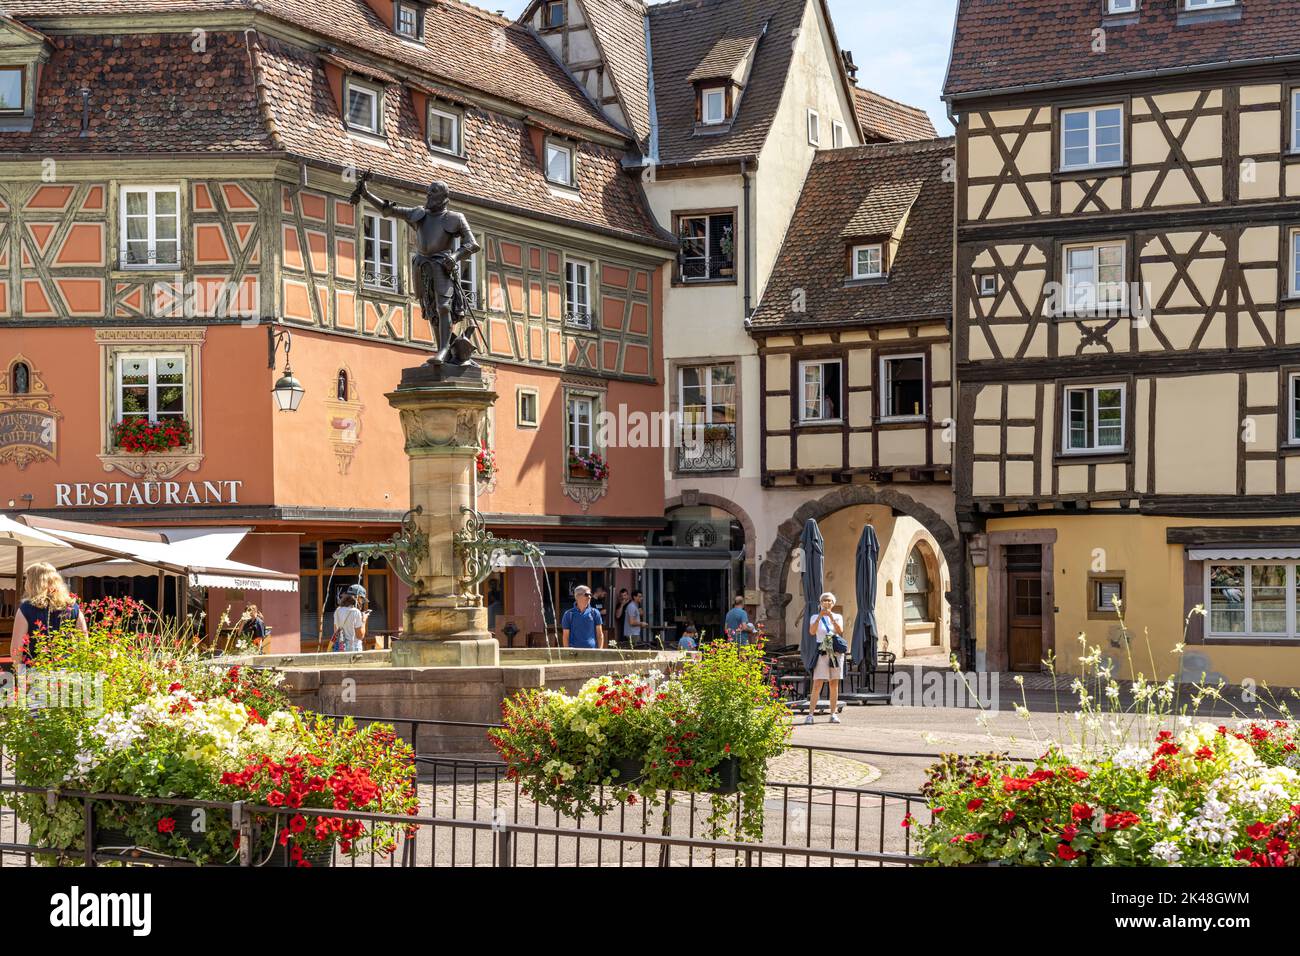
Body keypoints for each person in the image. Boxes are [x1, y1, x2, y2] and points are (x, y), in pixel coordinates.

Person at [10, 562, 87, 668]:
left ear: (33, 583)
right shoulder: (73, 607)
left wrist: (20, 676)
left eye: (27, 579)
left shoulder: (25, 609)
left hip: (36, 670)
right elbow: (84, 644)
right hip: (67, 670)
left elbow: (16, 650)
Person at [806, 591, 846, 725]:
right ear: (821, 603)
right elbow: (812, 632)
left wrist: (831, 618)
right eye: (824, 600)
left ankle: (833, 713)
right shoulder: (814, 617)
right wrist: (820, 618)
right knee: (817, 683)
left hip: (834, 651)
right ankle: (810, 714)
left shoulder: (838, 616)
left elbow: (840, 631)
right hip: (822, 650)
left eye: (829, 600)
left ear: (833, 603)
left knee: (834, 683)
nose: (827, 602)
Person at [561, 585, 604, 649]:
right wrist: (568, 653)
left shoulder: (595, 612)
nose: (589, 597)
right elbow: (565, 636)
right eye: (586, 594)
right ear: (577, 596)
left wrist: (600, 651)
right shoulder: (568, 614)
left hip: (592, 652)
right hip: (574, 654)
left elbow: (600, 635)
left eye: (590, 594)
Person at [332, 586, 368, 653]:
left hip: (341, 648)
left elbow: (336, 632)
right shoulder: (356, 612)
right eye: (362, 599)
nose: (362, 602)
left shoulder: (338, 610)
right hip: (354, 649)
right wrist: (364, 620)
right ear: (357, 598)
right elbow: (360, 636)